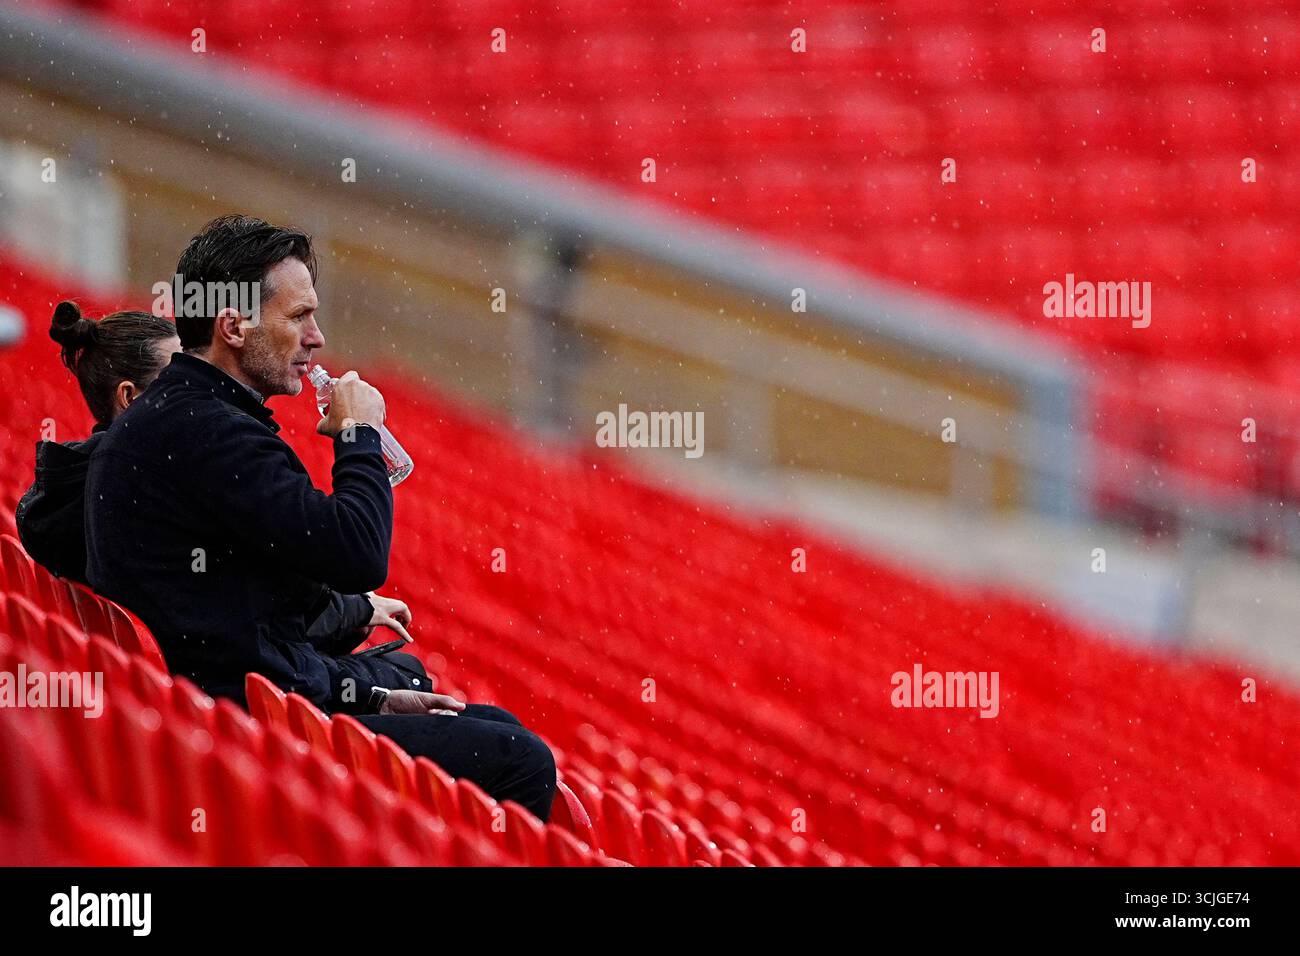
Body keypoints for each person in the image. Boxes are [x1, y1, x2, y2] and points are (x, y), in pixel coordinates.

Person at [84, 214, 555, 819]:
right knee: (520, 757)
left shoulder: (183, 415)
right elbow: (358, 553)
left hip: (227, 701)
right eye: (299, 317)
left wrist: (373, 695)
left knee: (438, 697)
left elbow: (254, 625)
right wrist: (361, 433)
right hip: (245, 735)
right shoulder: (212, 433)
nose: (317, 338)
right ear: (233, 325)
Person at [14, 301, 416, 655]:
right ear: (131, 398)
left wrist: (352, 611)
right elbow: (248, 617)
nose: (191, 386)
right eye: (175, 378)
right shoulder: (143, 490)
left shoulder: (83, 493)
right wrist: (357, 435)